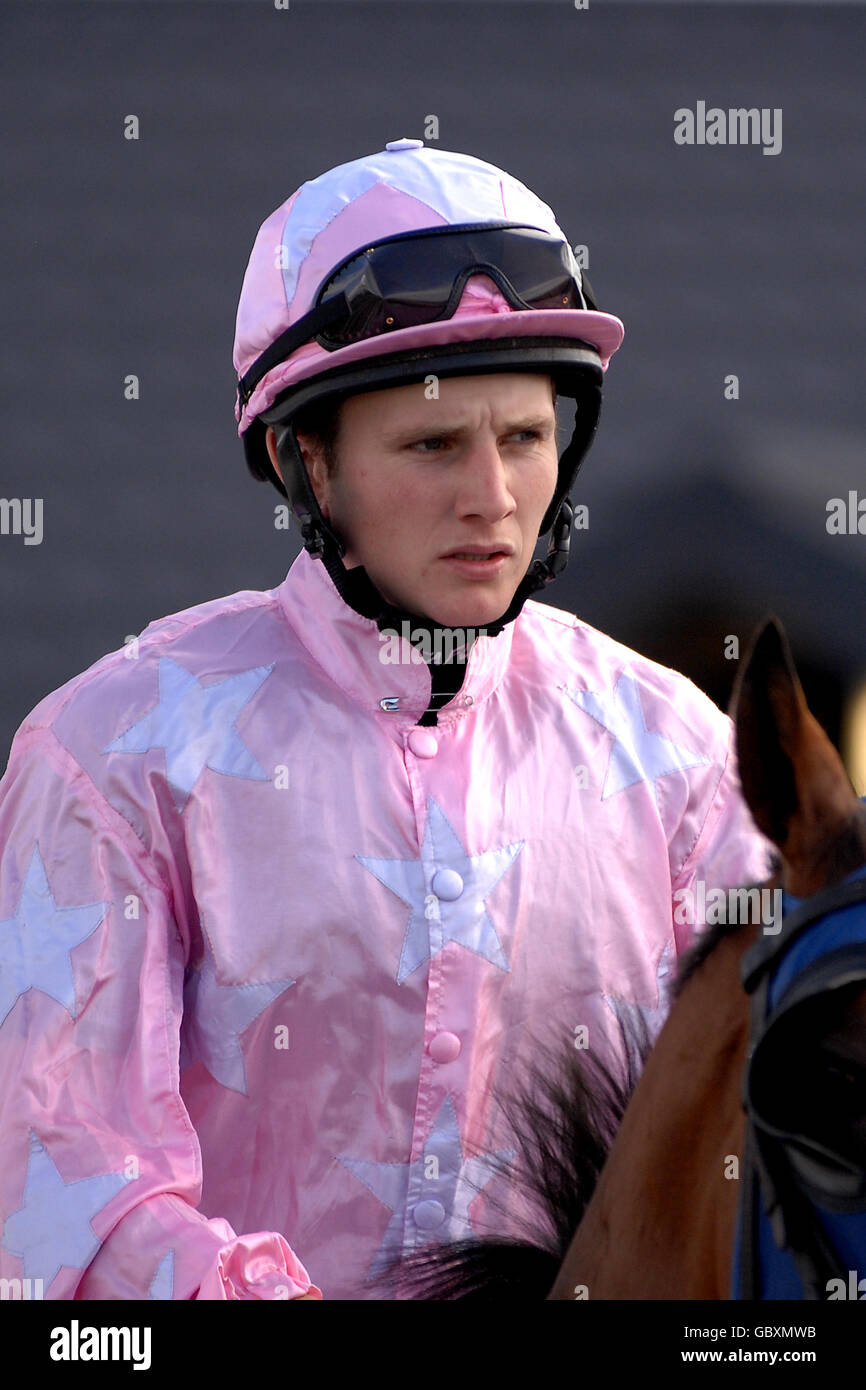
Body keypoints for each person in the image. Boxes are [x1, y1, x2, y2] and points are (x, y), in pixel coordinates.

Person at [0, 139, 771, 1301]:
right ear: (305, 460)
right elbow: (50, 1177)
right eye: (431, 444)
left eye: (522, 437)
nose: (493, 498)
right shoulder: (112, 754)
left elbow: (772, 1149)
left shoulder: (681, 757)